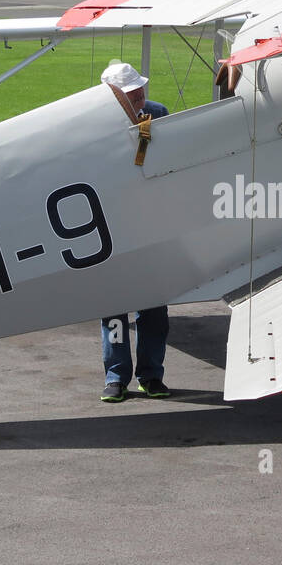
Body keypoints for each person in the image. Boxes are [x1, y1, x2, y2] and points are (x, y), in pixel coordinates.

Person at [99, 61, 171, 403]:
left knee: (154, 310)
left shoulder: (156, 115)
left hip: (150, 225)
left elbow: (161, 161)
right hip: (111, 229)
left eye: (140, 89)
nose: (141, 96)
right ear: (114, 97)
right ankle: (116, 377)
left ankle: (151, 376)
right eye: (132, 93)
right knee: (114, 310)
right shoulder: (93, 128)